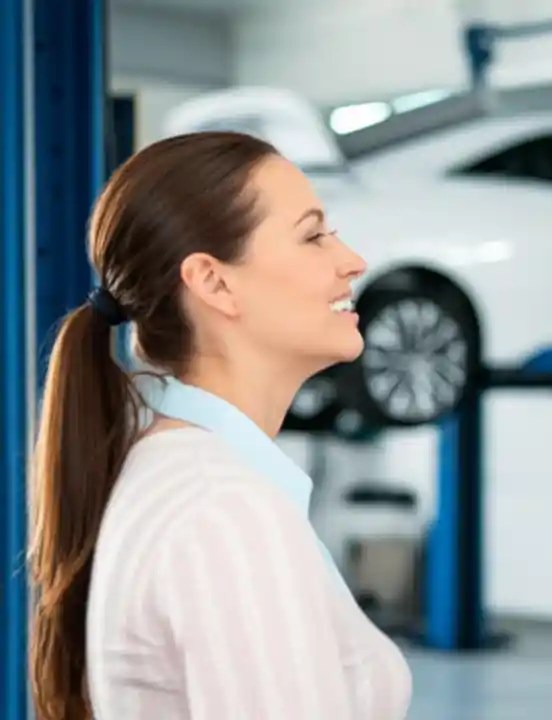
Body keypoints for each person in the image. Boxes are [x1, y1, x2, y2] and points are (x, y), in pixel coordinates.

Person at [27, 131, 412, 720]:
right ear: (213, 282)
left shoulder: (188, 476)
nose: (352, 260)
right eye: (312, 236)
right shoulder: (224, 510)